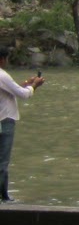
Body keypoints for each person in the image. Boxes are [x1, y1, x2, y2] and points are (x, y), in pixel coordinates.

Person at [0, 41, 45, 204]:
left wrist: (25, 85)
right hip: (4, 122)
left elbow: (9, 92)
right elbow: (24, 95)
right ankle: (4, 197)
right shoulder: (2, 75)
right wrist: (34, 86)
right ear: (2, 59)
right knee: (2, 161)